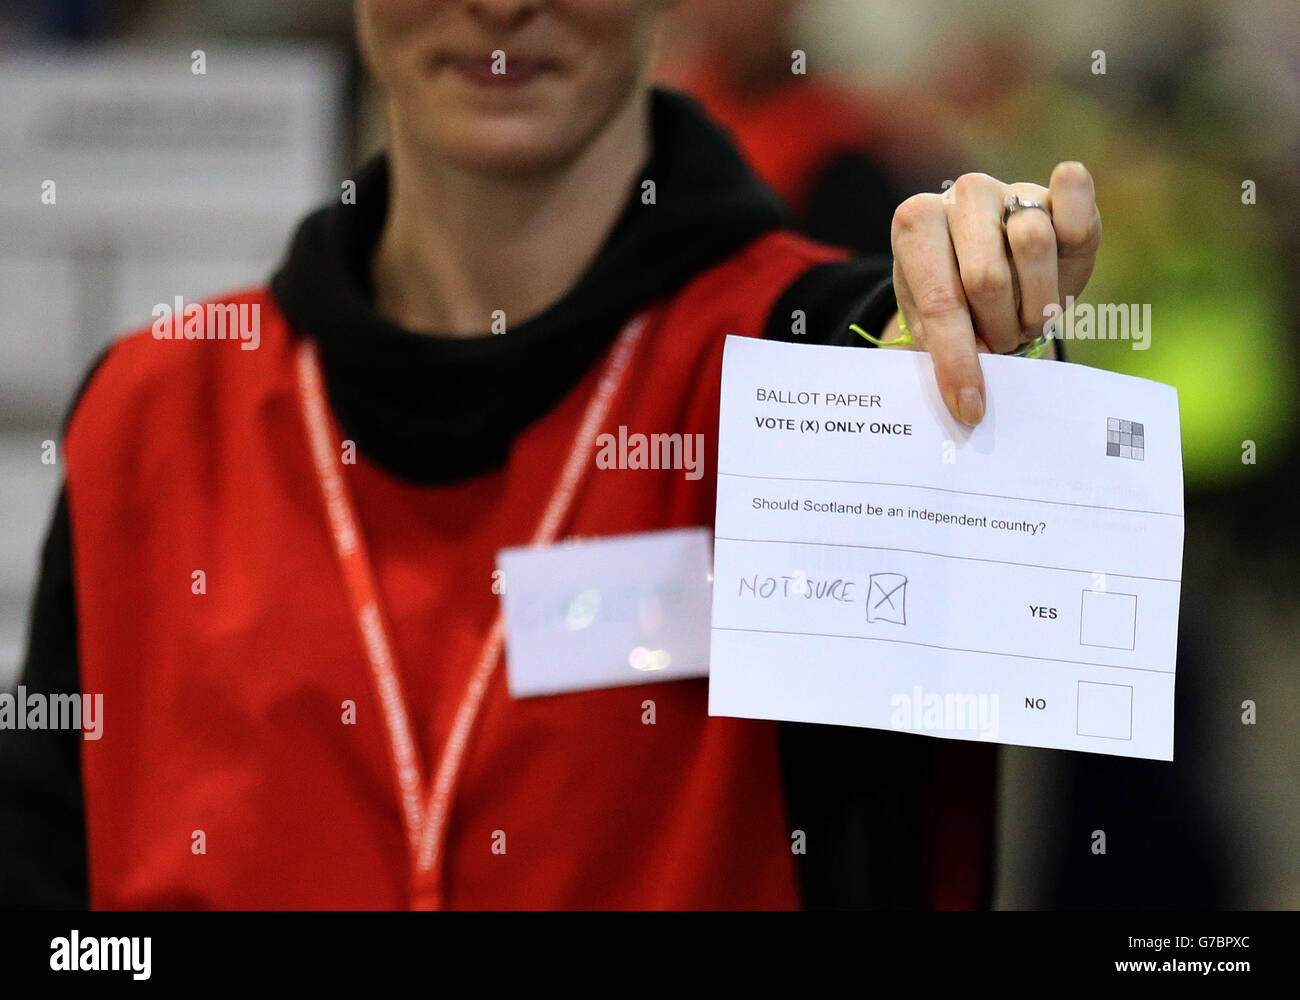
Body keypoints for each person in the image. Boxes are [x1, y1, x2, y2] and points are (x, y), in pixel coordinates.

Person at [0, 0, 1100, 910]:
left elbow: (926, 380)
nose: (499, 6)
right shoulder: (153, 409)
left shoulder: (819, 374)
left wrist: (981, 317)